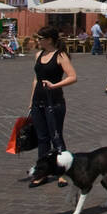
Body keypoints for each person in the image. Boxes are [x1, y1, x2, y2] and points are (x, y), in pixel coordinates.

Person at [28, 25, 77, 187]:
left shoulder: (60, 55)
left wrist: (54, 85)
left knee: (56, 137)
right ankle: (42, 172)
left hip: (54, 102)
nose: (38, 41)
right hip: (38, 101)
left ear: (49, 40)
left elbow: (72, 77)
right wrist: (31, 101)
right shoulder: (38, 55)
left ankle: (63, 171)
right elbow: (36, 79)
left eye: (40, 39)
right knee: (42, 138)